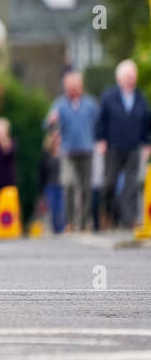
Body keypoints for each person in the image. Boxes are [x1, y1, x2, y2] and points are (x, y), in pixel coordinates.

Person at [94, 59, 151, 229]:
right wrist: (100, 140)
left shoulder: (141, 98)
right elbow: (100, 120)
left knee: (131, 184)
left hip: (133, 147)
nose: (131, 79)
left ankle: (129, 219)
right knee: (109, 183)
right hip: (113, 146)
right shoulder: (108, 96)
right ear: (119, 78)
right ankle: (108, 213)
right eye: (128, 76)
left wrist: (147, 143)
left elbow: (147, 123)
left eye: (133, 76)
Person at [45, 70, 99, 232]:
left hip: (87, 150)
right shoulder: (59, 104)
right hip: (68, 151)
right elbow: (47, 126)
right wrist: (51, 121)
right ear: (65, 87)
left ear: (81, 86)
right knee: (68, 184)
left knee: (86, 187)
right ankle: (69, 221)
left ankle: (83, 221)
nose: (74, 89)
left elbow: (99, 125)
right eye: (70, 86)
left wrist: (99, 141)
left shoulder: (91, 104)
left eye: (76, 86)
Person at [38, 131, 64, 235]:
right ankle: (55, 229)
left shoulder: (64, 154)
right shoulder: (46, 156)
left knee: (61, 208)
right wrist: (40, 192)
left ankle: (62, 228)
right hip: (50, 186)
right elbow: (42, 174)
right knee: (52, 208)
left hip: (61, 185)